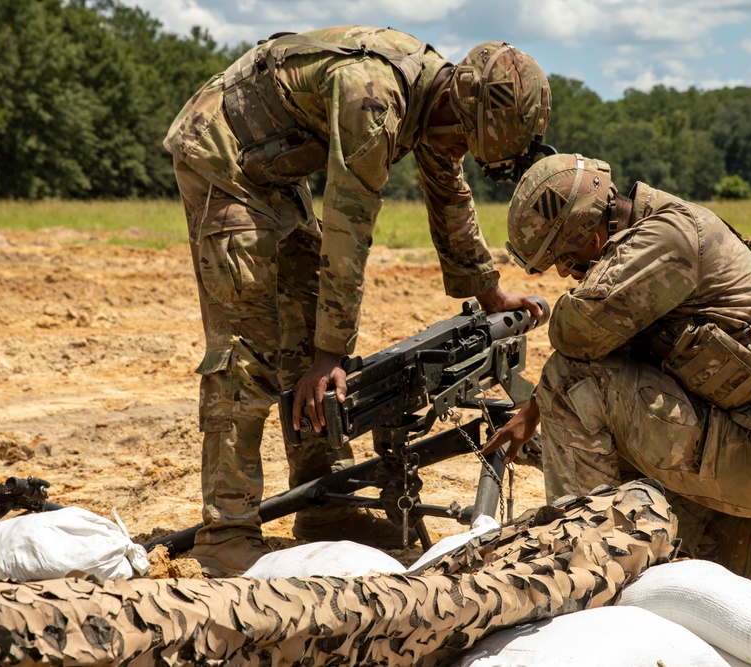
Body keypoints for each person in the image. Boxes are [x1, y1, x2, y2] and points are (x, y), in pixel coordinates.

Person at [163, 25, 550, 577]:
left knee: (308, 332)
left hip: (277, 167)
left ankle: (323, 506)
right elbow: (349, 230)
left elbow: (448, 192)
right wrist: (331, 353)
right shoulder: (372, 99)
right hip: (225, 158)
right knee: (247, 345)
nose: (457, 151)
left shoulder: (441, 101)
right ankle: (226, 530)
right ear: (453, 104)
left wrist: (488, 291)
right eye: (461, 139)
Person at [483, 154, 751, 587]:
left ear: (593, 235)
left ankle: (588, 564)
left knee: (572, 384)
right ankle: (726, 539)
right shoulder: (652, 231)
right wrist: (530, 412)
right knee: (605, 393)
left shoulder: (666, 240)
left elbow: (574, 333)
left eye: (566, 258)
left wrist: (545, 397)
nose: (563, 272)